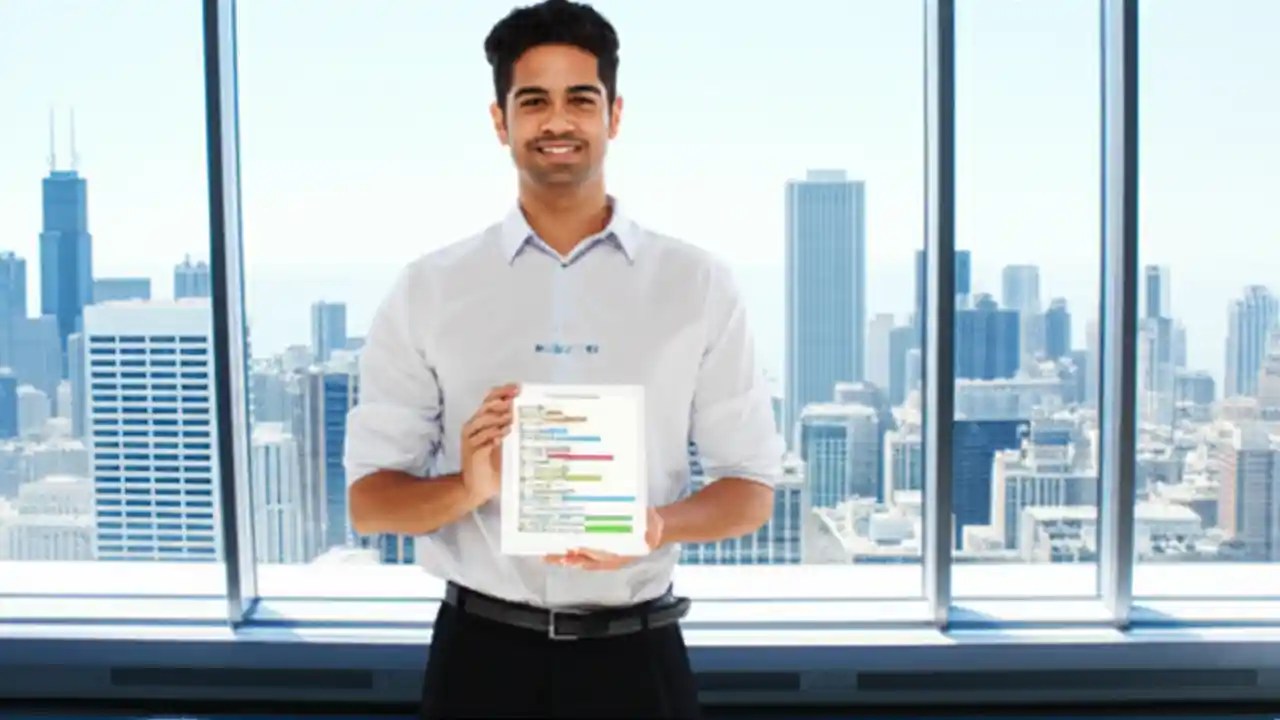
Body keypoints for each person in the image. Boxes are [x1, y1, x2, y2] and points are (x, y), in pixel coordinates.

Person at [344, 0, 784, 717]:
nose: (558, 122)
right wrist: (470, 486)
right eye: (533, 101)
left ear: (614, 115)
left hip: (638, 660)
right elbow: (370, 504)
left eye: (580, 99)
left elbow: (751, 491)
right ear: (500, 121)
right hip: (480, 661)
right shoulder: (430, 288)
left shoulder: (696, 284)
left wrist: (658, 526)